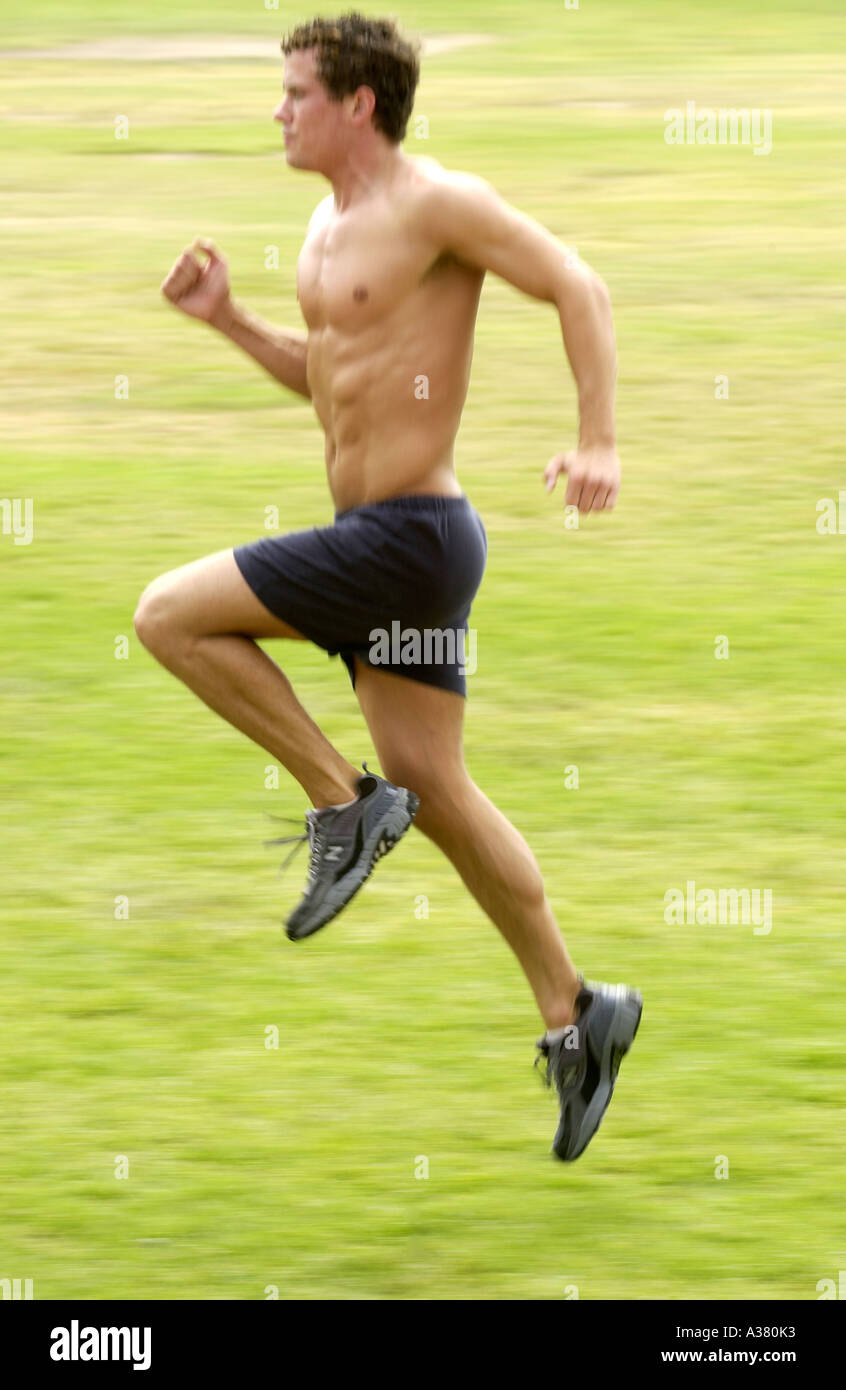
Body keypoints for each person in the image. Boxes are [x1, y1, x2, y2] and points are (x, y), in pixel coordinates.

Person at [137, 12, 642, 1161]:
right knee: (444, 795)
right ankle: (579, 1013)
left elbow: (581, 286)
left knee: (167, 615)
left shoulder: (436, 205)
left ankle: (341, 802)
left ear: (358, 104)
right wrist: (227, 324)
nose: (278, 110)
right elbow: (325, 382)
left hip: (415, 535)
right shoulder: (325, 226)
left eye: (296, 91)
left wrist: (598, 439)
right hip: (376, 535)